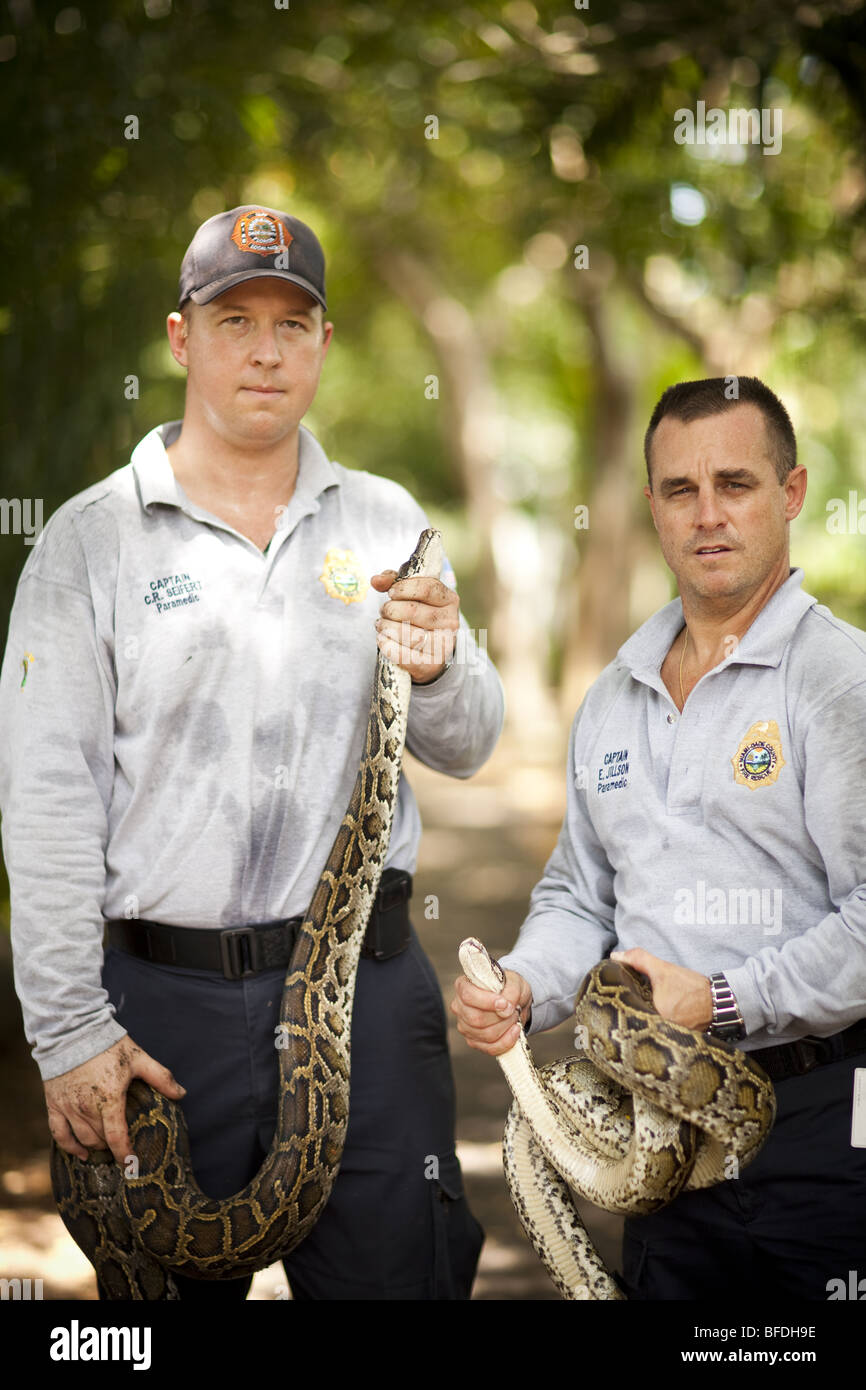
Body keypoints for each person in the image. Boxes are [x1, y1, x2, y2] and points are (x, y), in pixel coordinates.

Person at [0, 204, 504, 1300]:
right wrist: (67, 1032)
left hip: (365, 1000)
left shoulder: (384, 523)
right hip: (154, 1014)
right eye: (234, 319)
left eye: (292, 322)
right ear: (181, 338)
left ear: (324, 342)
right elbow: (45, 806)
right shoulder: (88, 541)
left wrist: (438, 663)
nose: (265, 349)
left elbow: (466, 745)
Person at [452, 376, 866, 1300]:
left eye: (736, 484)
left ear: (791, 494)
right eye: (680, 490)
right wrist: (527, 983)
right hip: (662, 1129)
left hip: (825, 1128)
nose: (707, 515)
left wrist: (721, 999)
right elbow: (578, 895)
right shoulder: (614, 695)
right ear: (651, 508)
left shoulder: (840, 683)